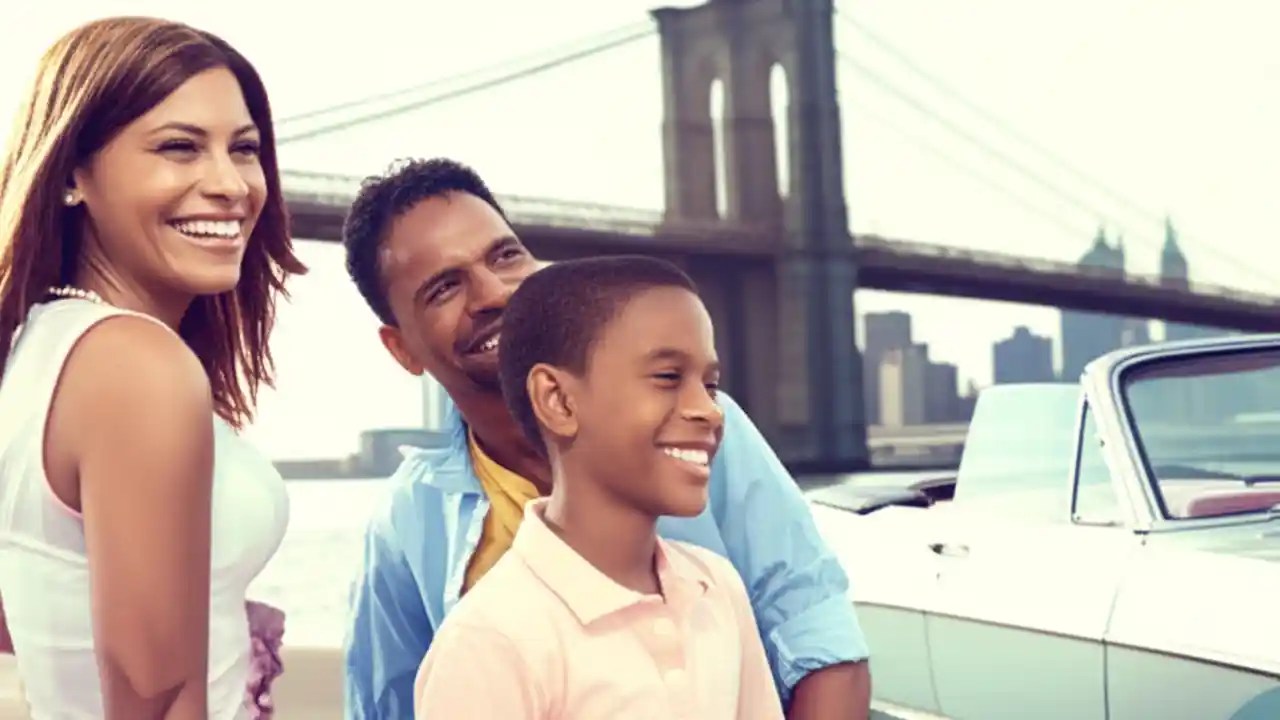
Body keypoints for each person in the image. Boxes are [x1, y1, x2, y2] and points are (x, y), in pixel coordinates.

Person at [341, 158, 871, 719]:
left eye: (505, 255)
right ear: (400, 348)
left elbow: (820, 637)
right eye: (445, 287)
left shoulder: (701, 433)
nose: (495, 293)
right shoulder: (411, 523)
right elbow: (385, 709)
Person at [0, 16, 305, 720]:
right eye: (179, 148)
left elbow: (45, 589)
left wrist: (216, 624)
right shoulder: (137, 366)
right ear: (73, 173)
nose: (230, 185)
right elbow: (157, 700)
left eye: (245, 149)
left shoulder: (37, 348)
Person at [412, 255, 784, 719]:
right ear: (558, 400)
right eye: (668, 377)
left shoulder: (718, 586)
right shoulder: (490, 642)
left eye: (709, 385)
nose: (709, 411)